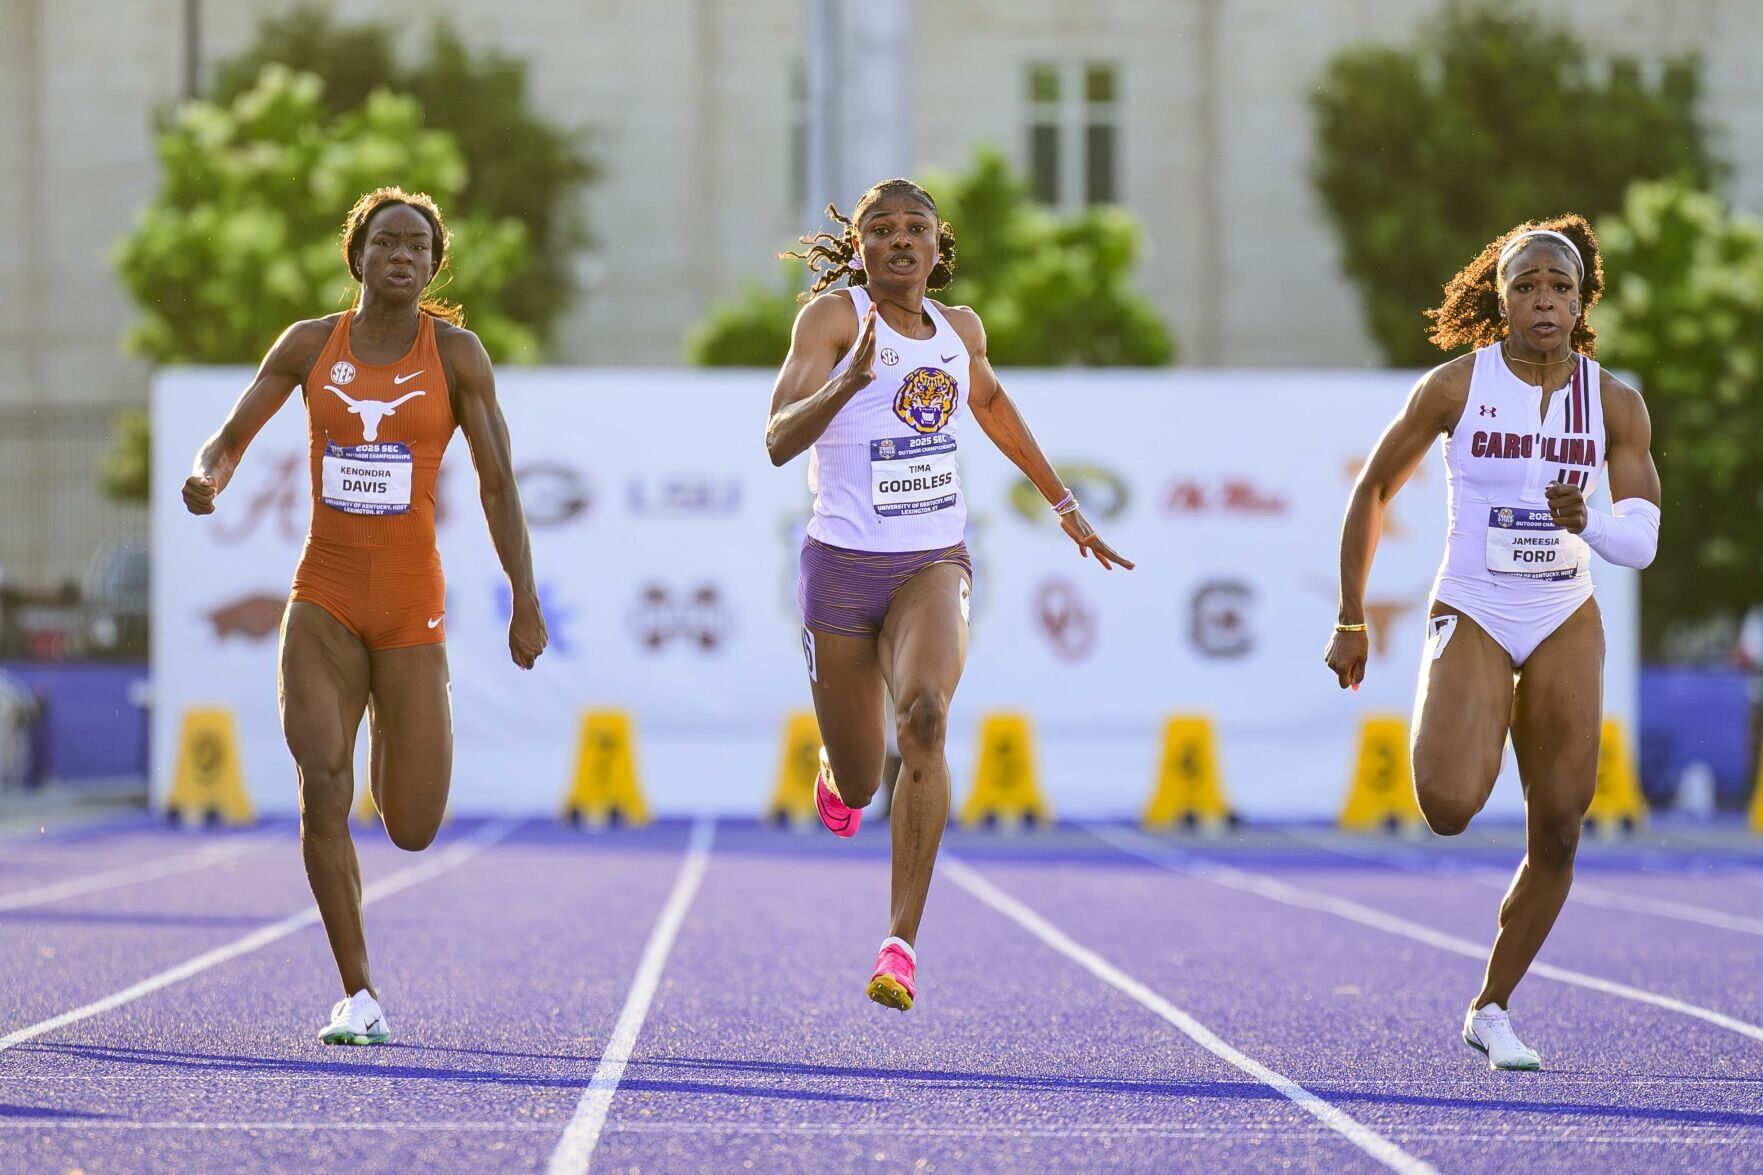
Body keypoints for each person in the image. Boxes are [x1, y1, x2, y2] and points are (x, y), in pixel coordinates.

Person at [183, 188, 547, 1044]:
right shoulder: (312, 344)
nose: (401, 255)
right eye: (385, 241)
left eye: (417, 245)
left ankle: (398, 713)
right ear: (358, 256)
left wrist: (523, 597)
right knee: (322, 785)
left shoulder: (455, 355)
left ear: (434, 264)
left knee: (412, 825)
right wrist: (208, 476)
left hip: (411, 607)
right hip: (326, 597)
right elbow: (229, 436)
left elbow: (498, 485)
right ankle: (358, 991)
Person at [765, 179, 1133, 1011]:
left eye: (915, 228)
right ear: (860, 248)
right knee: (860, 783)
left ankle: (899, 944)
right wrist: (846, 382)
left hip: (931, 561)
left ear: (938, 248)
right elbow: (778, 439)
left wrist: (1063, 504)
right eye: (881, 229)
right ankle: (836, 771)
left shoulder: (959, 330)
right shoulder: (830, 321)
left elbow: (991, 404)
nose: (899, 239)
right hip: (840, 568)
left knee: (926, 716)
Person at [1324, 216, 1661, 1070]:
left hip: (1562, 609)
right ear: (1499, 299)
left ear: (1581, 302)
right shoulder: (1454, 387)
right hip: (1475, 601)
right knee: (1445, 807)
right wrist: (1350, 615)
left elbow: (1639, 541)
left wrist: (1591, 522)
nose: (1543, 300)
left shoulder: (1613, 403)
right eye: (1525, 286)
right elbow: (1372, 490)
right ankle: (1477, 706)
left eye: (1558, 287)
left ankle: (1491, 1005)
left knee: (1560, 829)